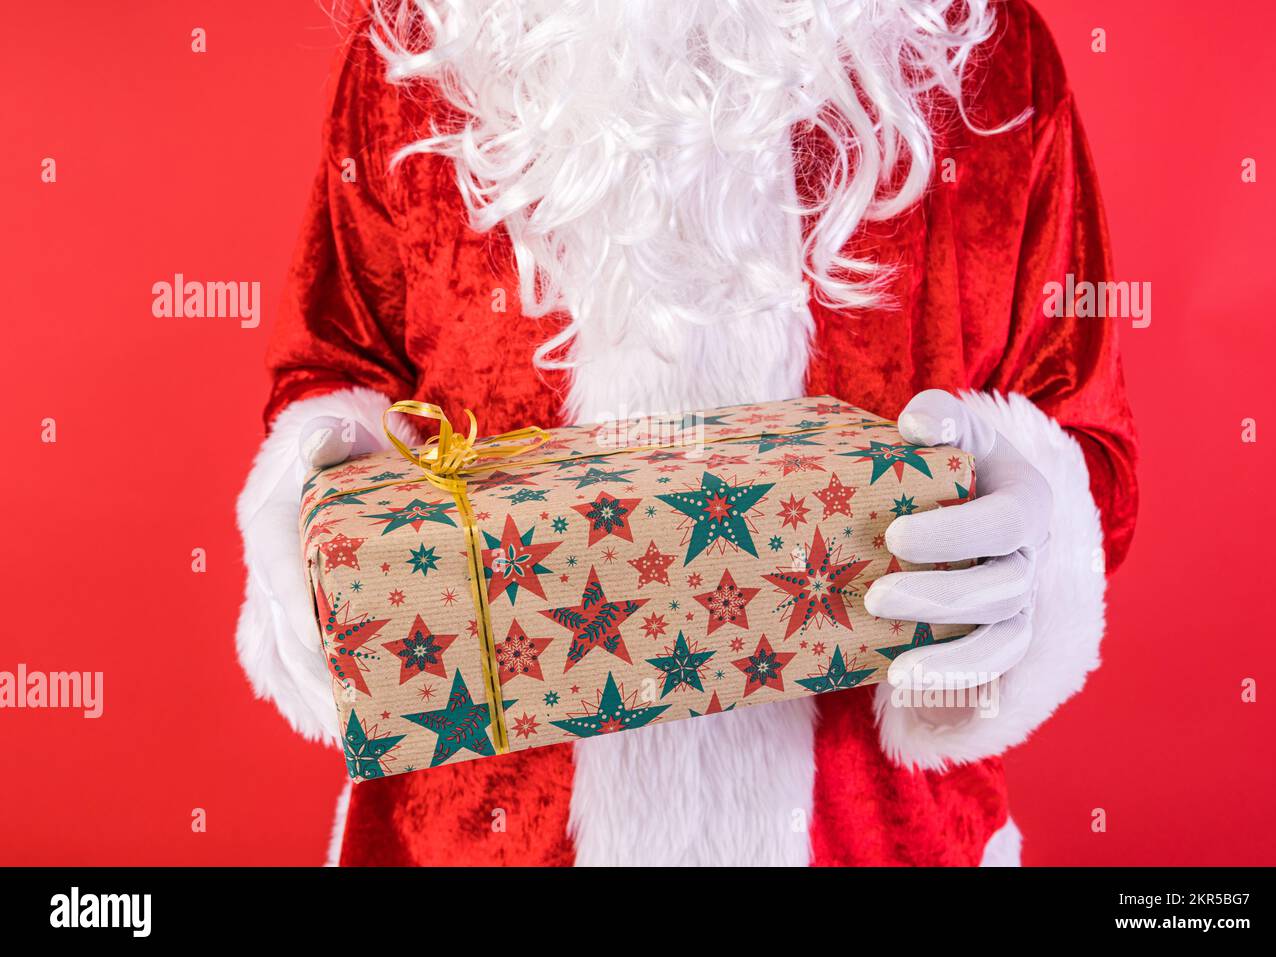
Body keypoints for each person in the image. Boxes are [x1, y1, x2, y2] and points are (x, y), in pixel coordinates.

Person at [236, 0, 1138, 866]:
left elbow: (1082, 430)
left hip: (876, 836)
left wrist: (1035, 541)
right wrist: (316, 505)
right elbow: (336, 365)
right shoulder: (418, 41)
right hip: (476, 835)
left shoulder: (987, 51)